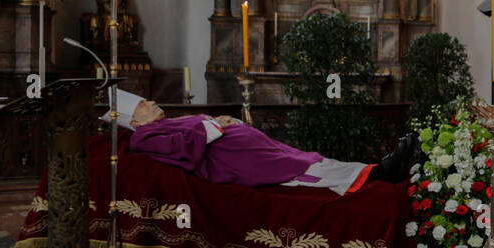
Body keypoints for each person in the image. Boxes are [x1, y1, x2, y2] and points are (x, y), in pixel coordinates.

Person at [114, 91, 414, 193]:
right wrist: (216, 123)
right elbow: (183, 148)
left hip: (242, 148)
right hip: (229, 160)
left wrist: (219, 122)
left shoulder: (160, 123)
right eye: (143, 104)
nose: (151, 101)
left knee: (308, 159)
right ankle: (380, 173)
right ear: (135, 122)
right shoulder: (143, 136)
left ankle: (380, 168)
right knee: (302, 171)